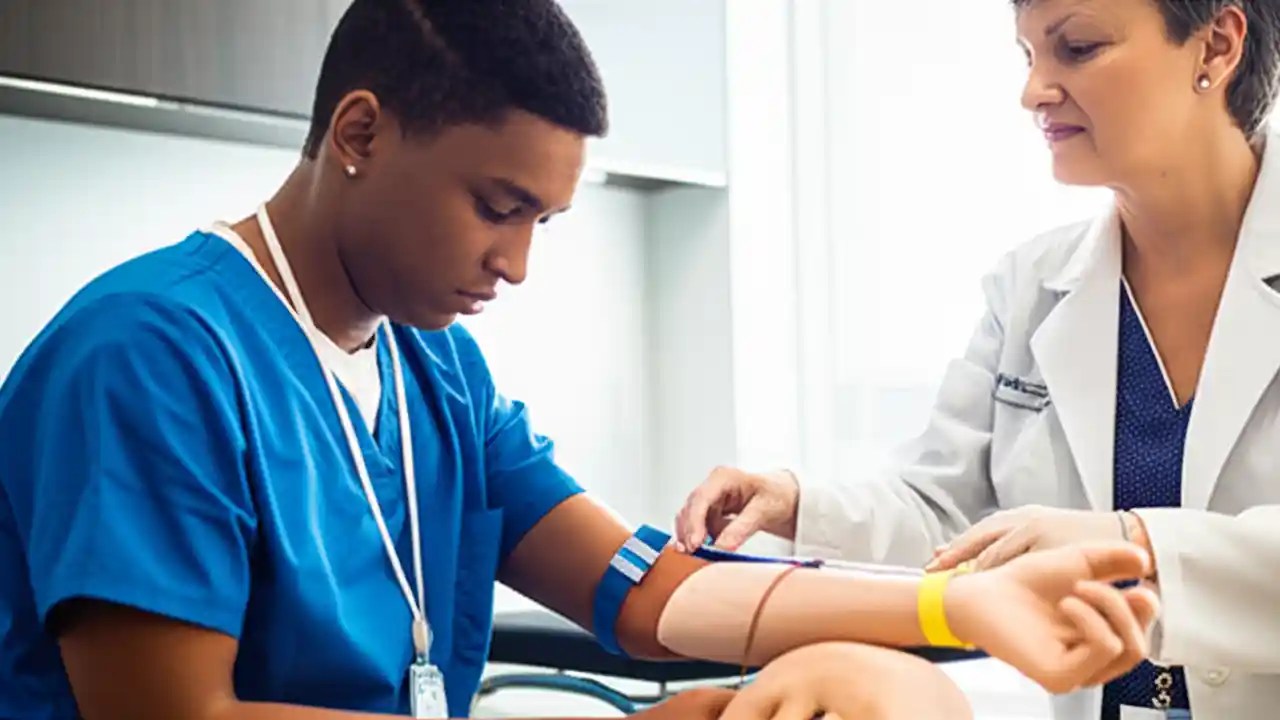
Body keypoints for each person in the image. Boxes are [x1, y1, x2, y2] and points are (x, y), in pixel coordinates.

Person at [0, 1, 1159, 719]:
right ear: (358, 134)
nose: (513, 266)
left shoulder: (431, 371)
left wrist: (955, 605)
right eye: (494, 207)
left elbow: (650, 596)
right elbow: (174, 718)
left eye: (541, 224)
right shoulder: (148, 356)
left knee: (873, 701)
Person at [675, 0, 1280, 718]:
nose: (1034, 92)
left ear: (1214, 46)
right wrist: (797, 503)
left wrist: (1133, 539)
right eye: (1029, 57)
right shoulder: (1032, 288)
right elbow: (949, 518)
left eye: (1078, 48)